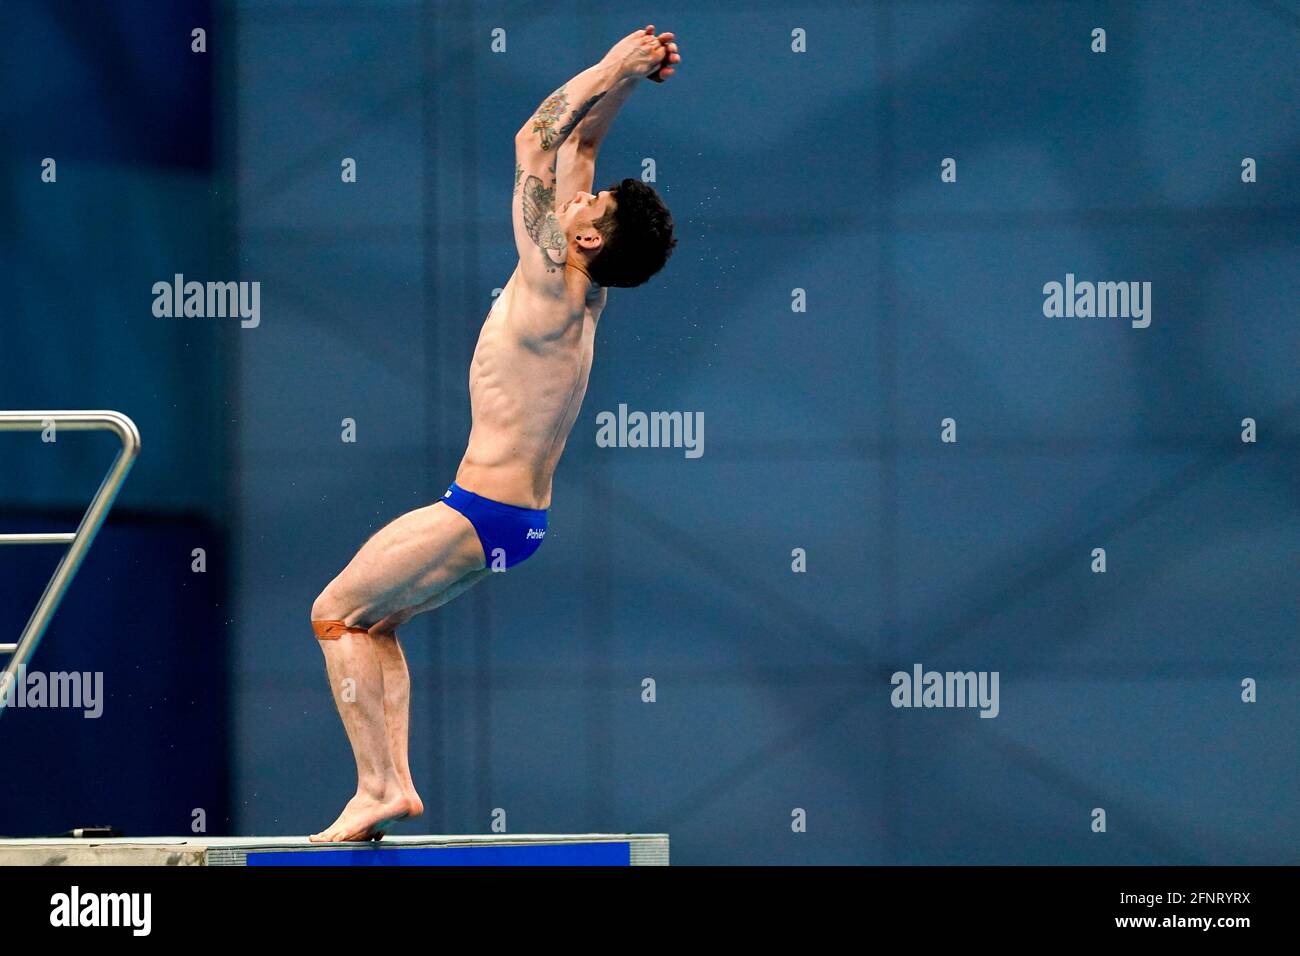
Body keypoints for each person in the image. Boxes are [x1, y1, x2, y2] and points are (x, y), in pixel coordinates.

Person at [307, 25, 681, 842]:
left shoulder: (550, 280)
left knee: (333, 614)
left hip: (481, 511)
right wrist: (632, 78)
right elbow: (580, 139)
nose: (579, 196)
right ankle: (393, 788)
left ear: (584, 238)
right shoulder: (586, 287)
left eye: (592, 207)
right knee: (375, 623)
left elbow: (534, 138)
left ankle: (377, 787)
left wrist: (611, 65)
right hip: (513, 522)